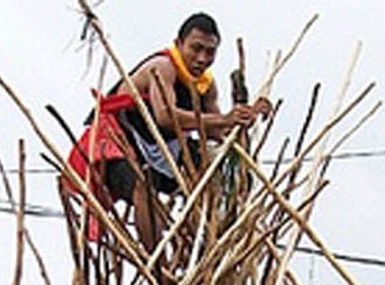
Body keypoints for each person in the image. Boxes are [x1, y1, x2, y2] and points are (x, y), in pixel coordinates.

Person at [65, 13, 269, 249]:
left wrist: (245, 119)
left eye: (210, 52)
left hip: (166, 151)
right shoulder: (163, 68)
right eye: (196, 48)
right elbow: (165, 117)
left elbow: (216, 131)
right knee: (144, 191)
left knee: (208, 170)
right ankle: (157, 266)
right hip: (122, 145)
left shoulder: (206, 85)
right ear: (180, 44)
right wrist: (224, 119)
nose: (202, 58)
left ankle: (206, 242)